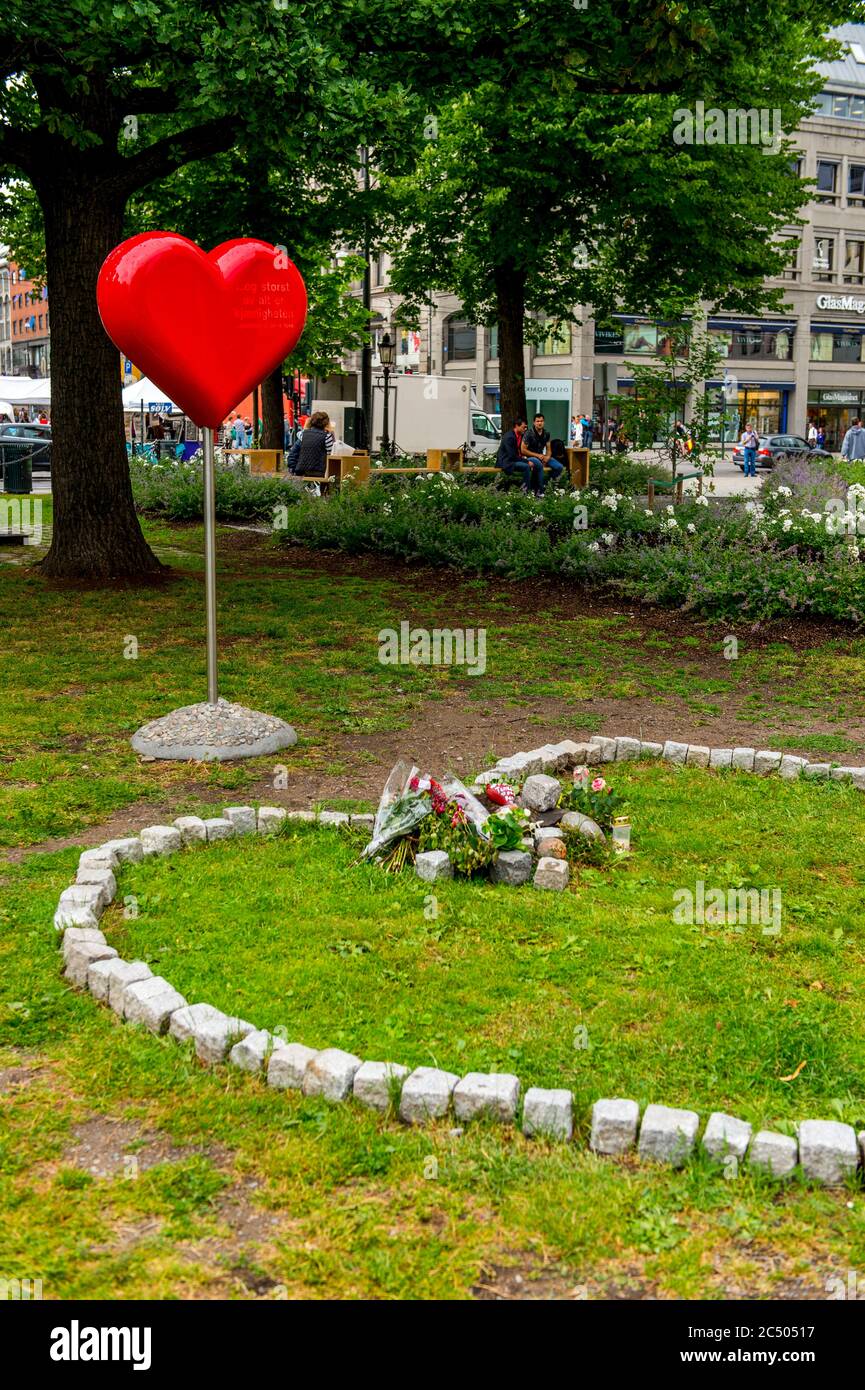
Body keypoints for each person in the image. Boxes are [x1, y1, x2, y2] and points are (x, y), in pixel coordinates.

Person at [522, 412, 564, 495]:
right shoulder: (529, 433)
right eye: (537, 421)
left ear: (544, 422)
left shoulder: (546, 434)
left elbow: (548, 449)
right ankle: (540, 491)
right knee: (539, 465)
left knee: (559, 467)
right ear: (534, 423)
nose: (540, 423)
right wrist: (538, 456)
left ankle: (549, 485)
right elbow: (523, 450)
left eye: (541, 421)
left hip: (542, 457)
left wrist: (547, 457)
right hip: (530, 457)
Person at [496, 415, 535, 491]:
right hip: (506, 461)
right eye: (524, 427)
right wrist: (527, 461)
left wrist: (525, 458)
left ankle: (536, 488)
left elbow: (517, 452)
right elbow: (512, 456)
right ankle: (526, 491)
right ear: (517, 426)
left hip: (512, 460)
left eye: (526, 427)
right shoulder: (509, 437)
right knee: (526, 466)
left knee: (535, 464)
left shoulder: (519, 435)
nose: (525, 429)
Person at [294, 409, 333, 480]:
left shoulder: (303, 434)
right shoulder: (327, 436)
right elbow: (330, 454)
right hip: (318, 470)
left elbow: (298, 434)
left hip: (303, 469)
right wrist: (330, 431)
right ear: (326, 423)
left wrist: (306, 427)